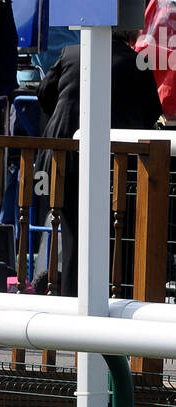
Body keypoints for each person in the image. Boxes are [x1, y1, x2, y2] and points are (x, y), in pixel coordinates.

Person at [38, 32, 160, 295]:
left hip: (63, 156)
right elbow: (152, 112)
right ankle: (114, 299)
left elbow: (44, 94)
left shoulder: (71, 52)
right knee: (117, 237)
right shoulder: (137, 61)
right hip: (113, 163)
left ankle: (72, 302)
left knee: (74, 237)